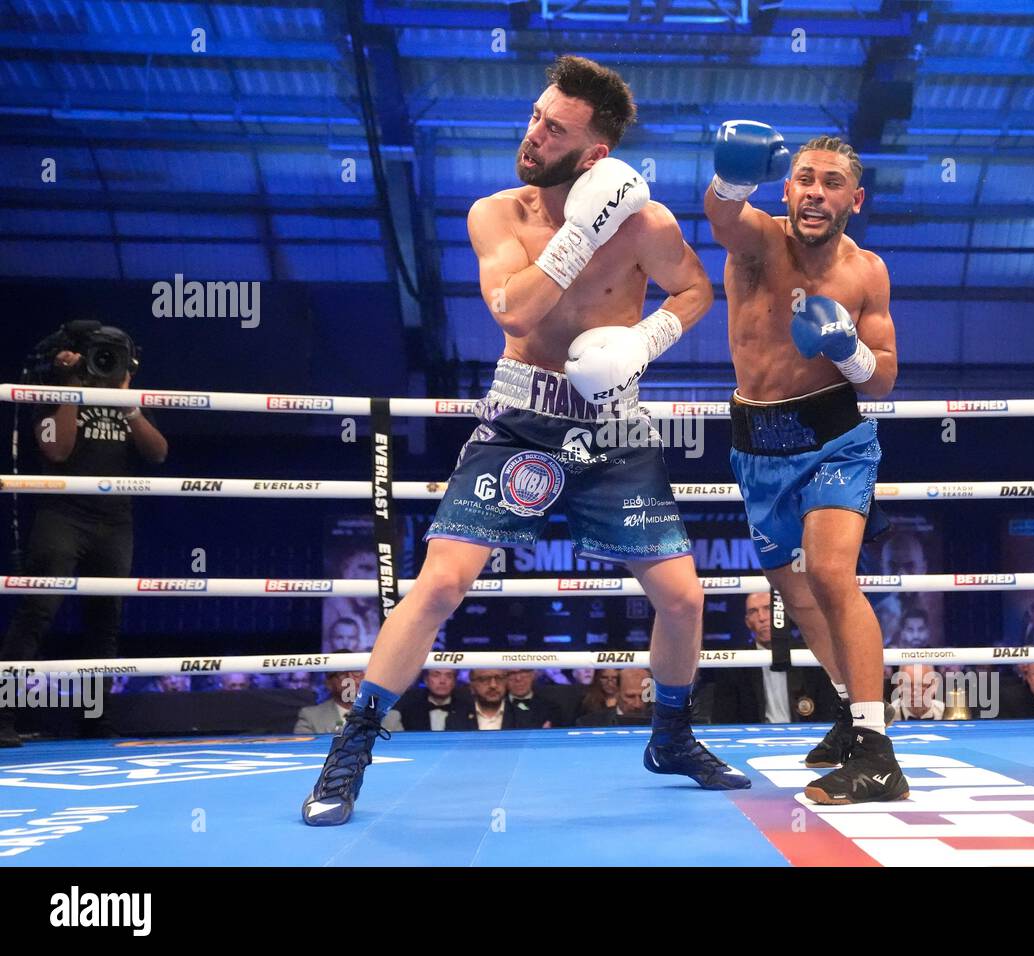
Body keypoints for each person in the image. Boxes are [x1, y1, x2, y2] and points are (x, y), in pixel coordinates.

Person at [301, 55, 748, 826]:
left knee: (683, 598)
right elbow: (513, 311)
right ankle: (354, 745)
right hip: (522, 418)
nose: (534, 134)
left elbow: (696, 288)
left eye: (555, 128)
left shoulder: (649, 224)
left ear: (596, 154)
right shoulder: (496, 213)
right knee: (441, 584)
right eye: (537, 116)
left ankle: (670, 734)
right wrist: (581, 231)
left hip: (611, 423)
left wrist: (645, 342)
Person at [705, 123, 907, 804]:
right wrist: (732, 176)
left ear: (856, 198)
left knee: (829, 573)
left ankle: (878, 753)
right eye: (806, 179)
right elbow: (722, 217)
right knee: (797, 596)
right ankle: (854, 714)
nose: (816, 193)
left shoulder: (866, 271)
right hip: (757, 444)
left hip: (834, 441)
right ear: (786, 187)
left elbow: (881, 378)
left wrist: (847, 350)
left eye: (832, 182)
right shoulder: (761, 241)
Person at [1, 326, 167, 748]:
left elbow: (158, 451)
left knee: (104, 624)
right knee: (36, 614)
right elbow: (56, 449)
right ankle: (2, 717)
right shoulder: (52, 391)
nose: (103, 365)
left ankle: (96, 721)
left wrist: (127, 405)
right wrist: (72, 386)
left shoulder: (126, 398)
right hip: (62, 516)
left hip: (115, 521)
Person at [707, 592, 839, 724]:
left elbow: (830, 713)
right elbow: (723, 720)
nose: (761, 617)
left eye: (767, 608)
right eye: (753, 611)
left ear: (781, 614)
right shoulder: (735, 665)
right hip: (754, 739)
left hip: (808, 735)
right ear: (747, 622)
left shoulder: (810, 656)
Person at [296, 671, 403, 735]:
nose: (351, 679)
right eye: (343, 674)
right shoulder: (310, 716)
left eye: (356, 672)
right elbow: (302, 752)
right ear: (328, 683)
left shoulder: (390, 716)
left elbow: (401, 751)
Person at [394, 668, 468, 731]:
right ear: (426, 680)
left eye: (449, 676)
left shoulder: (466, 708)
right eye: (436, 675)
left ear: (454, 681)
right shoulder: (408, 708)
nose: (442, 681)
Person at [575, 668, 652, 727]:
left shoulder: (661, 725)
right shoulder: (589, 725)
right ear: (616, 693)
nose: (637, 704)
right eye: (630, 696)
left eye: (643, 697)